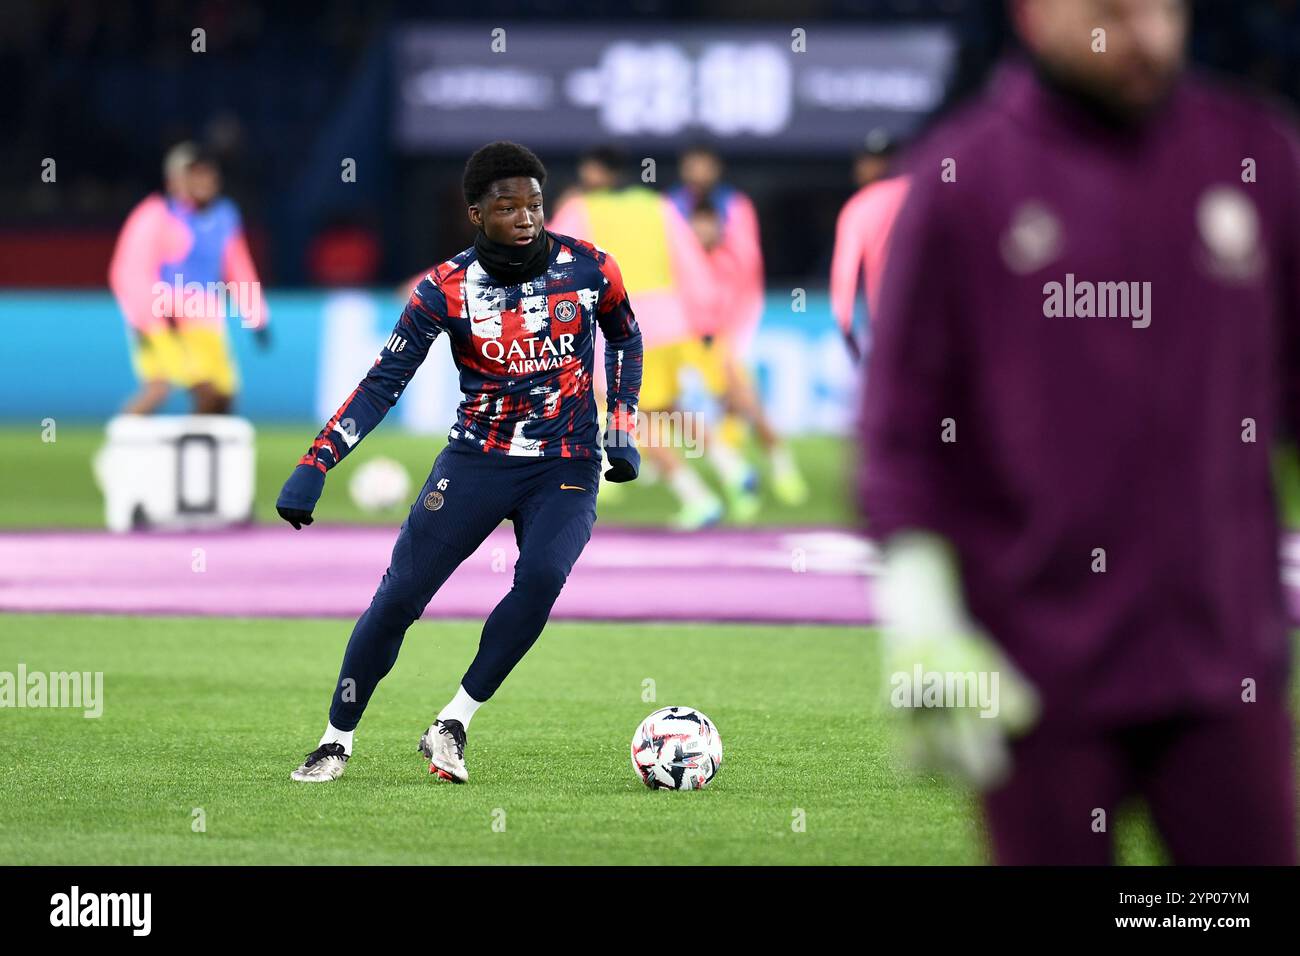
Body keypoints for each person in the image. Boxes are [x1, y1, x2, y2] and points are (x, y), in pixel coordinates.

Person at [864, 0, 1297, 864]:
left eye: (1157, 9)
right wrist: (917, 605)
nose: (1140, 33)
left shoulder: (1257, 156)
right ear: (1033, 15)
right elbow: (903, 429)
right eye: (1107, 10)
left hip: (1224, 665)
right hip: (1033, 675)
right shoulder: (963, 178)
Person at [278, 141, 642, 784]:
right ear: (476, 213)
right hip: (476, 461)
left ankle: (453, 722)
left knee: (541, 583)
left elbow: (627, 336)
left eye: (534, 203)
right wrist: (318, 462)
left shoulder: (590, 267)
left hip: (567, 463)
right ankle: (335, 740)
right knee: (397, 602)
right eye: (507, 206)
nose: (526, 216)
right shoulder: (442, 290)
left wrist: (620, 423)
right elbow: (382, 383)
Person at [550, 146, 732, 529]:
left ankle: (696, 495)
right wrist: (706, 317)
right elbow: (690, 260)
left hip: (617, 326)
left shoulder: (580, 209)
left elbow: (553, 263)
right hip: (669, 322)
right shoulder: (656, 205)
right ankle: (731, 467)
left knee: (625, 417)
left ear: (593, 171)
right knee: (664, 406)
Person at [671, 144, 808, 512]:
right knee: (668, 407)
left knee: (741, 403)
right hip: (683, 337)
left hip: (723, 337)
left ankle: (778, 466)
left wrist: (735, 336)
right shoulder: (674, 218)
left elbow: (746, 283)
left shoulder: (733, 236)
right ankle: (736, 477)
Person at [108, 142, 269, 414]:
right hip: (164, 321)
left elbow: (237, 267)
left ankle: (199, 454)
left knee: (222, 397)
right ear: (175, 180)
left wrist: (256, 315)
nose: (202, 180)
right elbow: (129, 272)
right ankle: (120, 446)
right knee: (170, 389)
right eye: (193, 174)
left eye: (207, 173)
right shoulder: (156, 215)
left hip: (205, 320)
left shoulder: (224, 216)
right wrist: (152, 317)